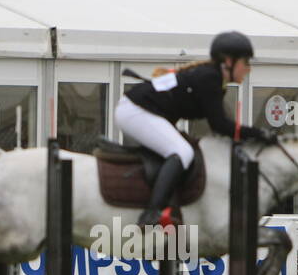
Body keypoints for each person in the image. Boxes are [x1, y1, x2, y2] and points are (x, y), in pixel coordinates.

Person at [116, 31, 272, 227]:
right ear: (229, 61)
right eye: (246, 62)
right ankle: (152, 212)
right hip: (136, 112)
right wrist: (260, 134)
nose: (248, 68)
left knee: (183, 149)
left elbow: (221, 125)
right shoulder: (211, 78)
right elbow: (220, 125)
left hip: (139, 110)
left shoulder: (212, 77)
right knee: (182, 152)